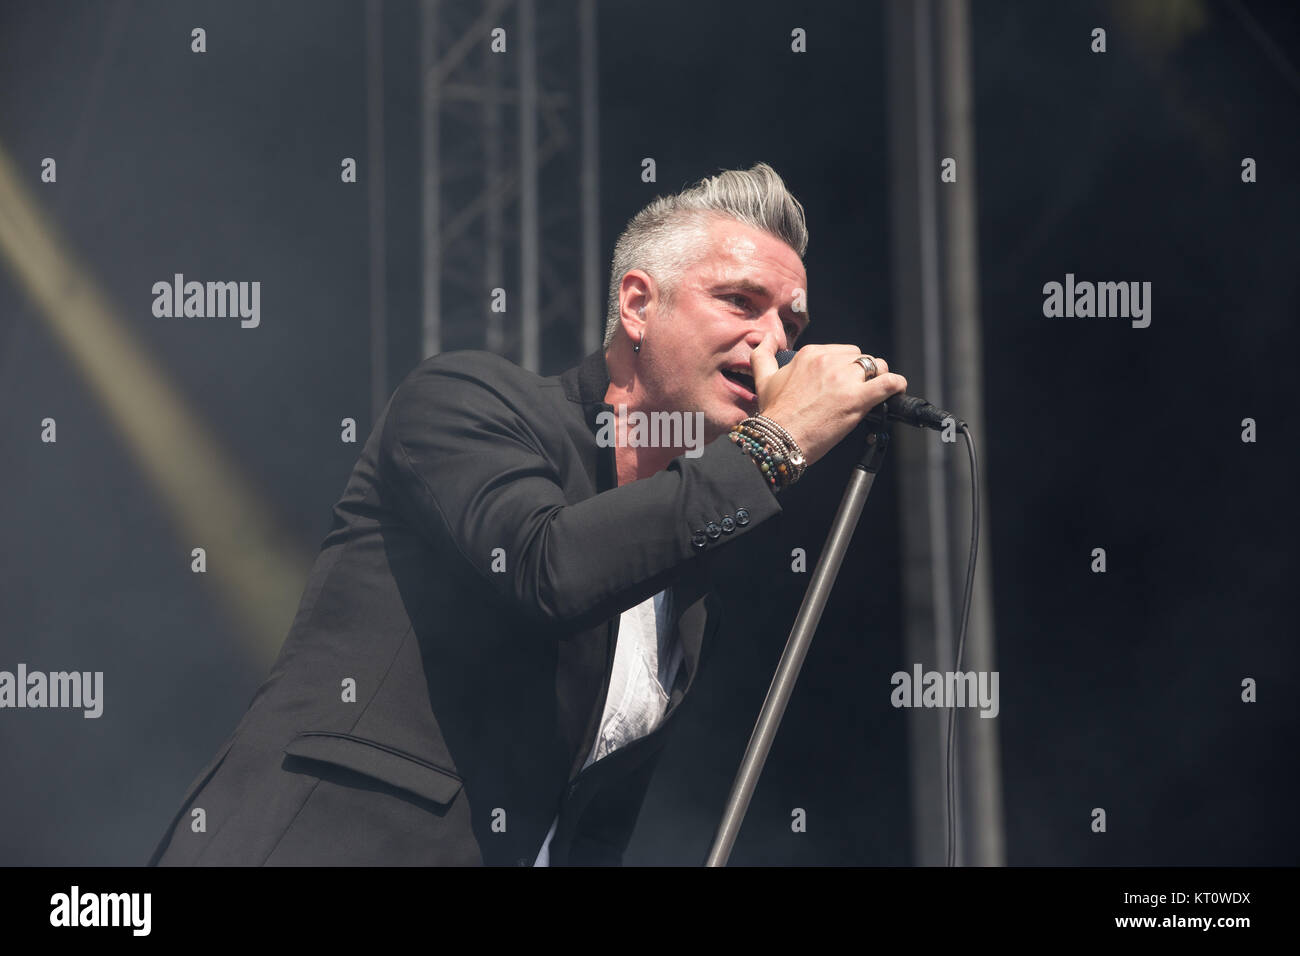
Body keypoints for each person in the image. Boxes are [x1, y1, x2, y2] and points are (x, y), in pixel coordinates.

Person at [147, 162, 906, 866]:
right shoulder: (469, 401)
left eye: (792, 327)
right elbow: (550, 569)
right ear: (638, 305)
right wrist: (776, 444)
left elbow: (588, 824)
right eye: (740, 302)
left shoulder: (685, 585)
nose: (774, 342)